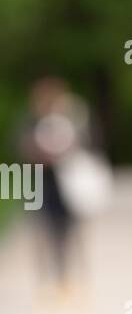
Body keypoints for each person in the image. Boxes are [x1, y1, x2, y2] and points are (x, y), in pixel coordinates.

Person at [17, 77, 103, 301]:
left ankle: (75, 283)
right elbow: (20, 147)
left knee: (73, 235)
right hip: (41, 186)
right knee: (44, 236)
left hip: (69, 187)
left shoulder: (73, 119)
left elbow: (90, 144)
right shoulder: (30, 122)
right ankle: (49, 286)